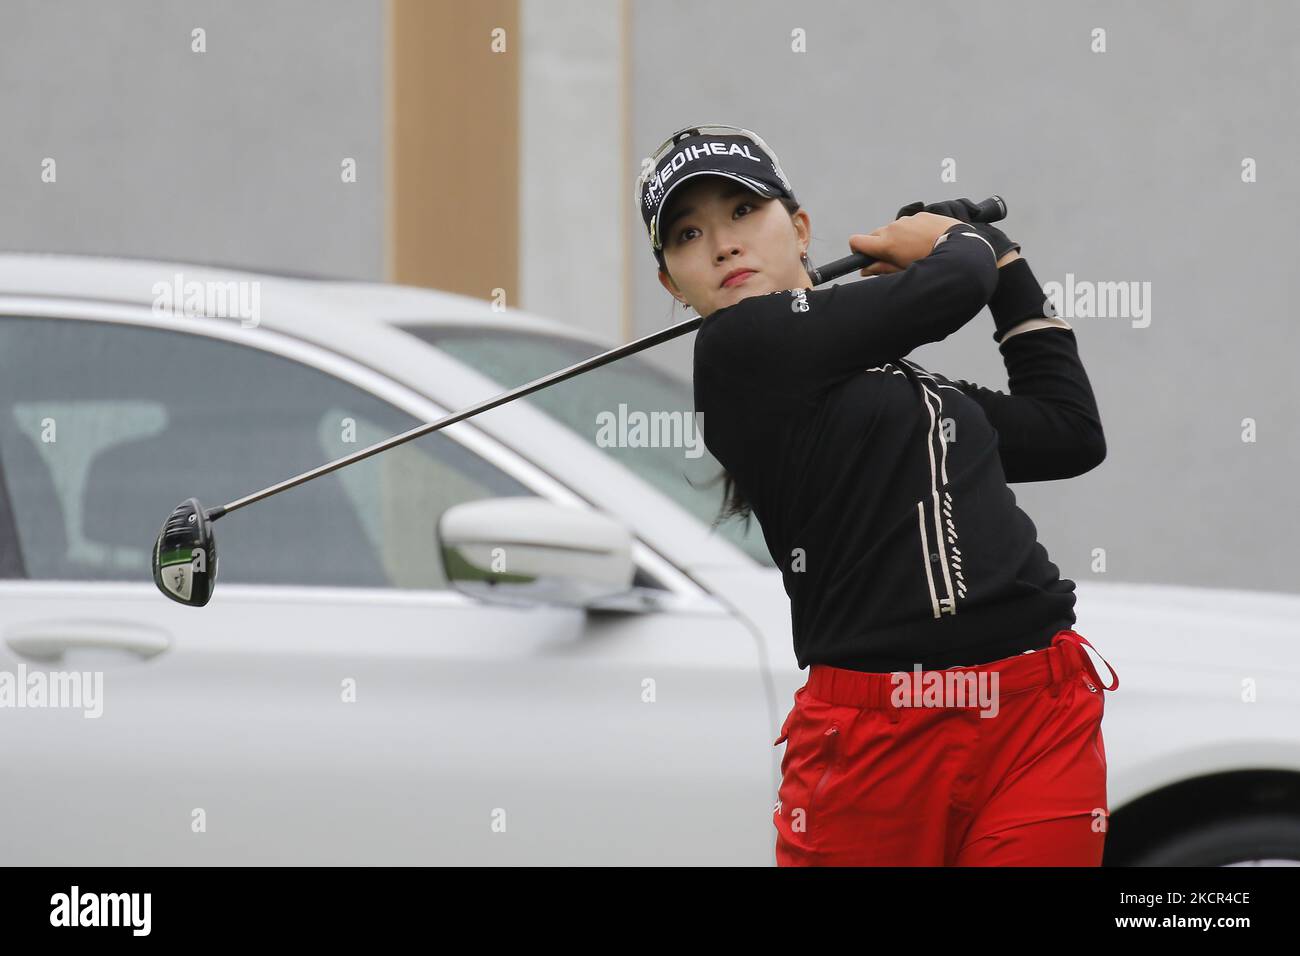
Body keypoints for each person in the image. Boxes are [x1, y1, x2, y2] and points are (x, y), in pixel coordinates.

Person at [635, 124, 1119, 866]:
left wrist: (1010, 265)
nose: (723, 244)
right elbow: (954, 282)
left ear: (798, 229)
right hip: (874, 749)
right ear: (673, 283)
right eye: (688, 234)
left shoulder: (909, 390)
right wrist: (961, 239)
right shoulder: (735, 353)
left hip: (1035, 714)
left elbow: (1068, 432)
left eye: (741, 211)